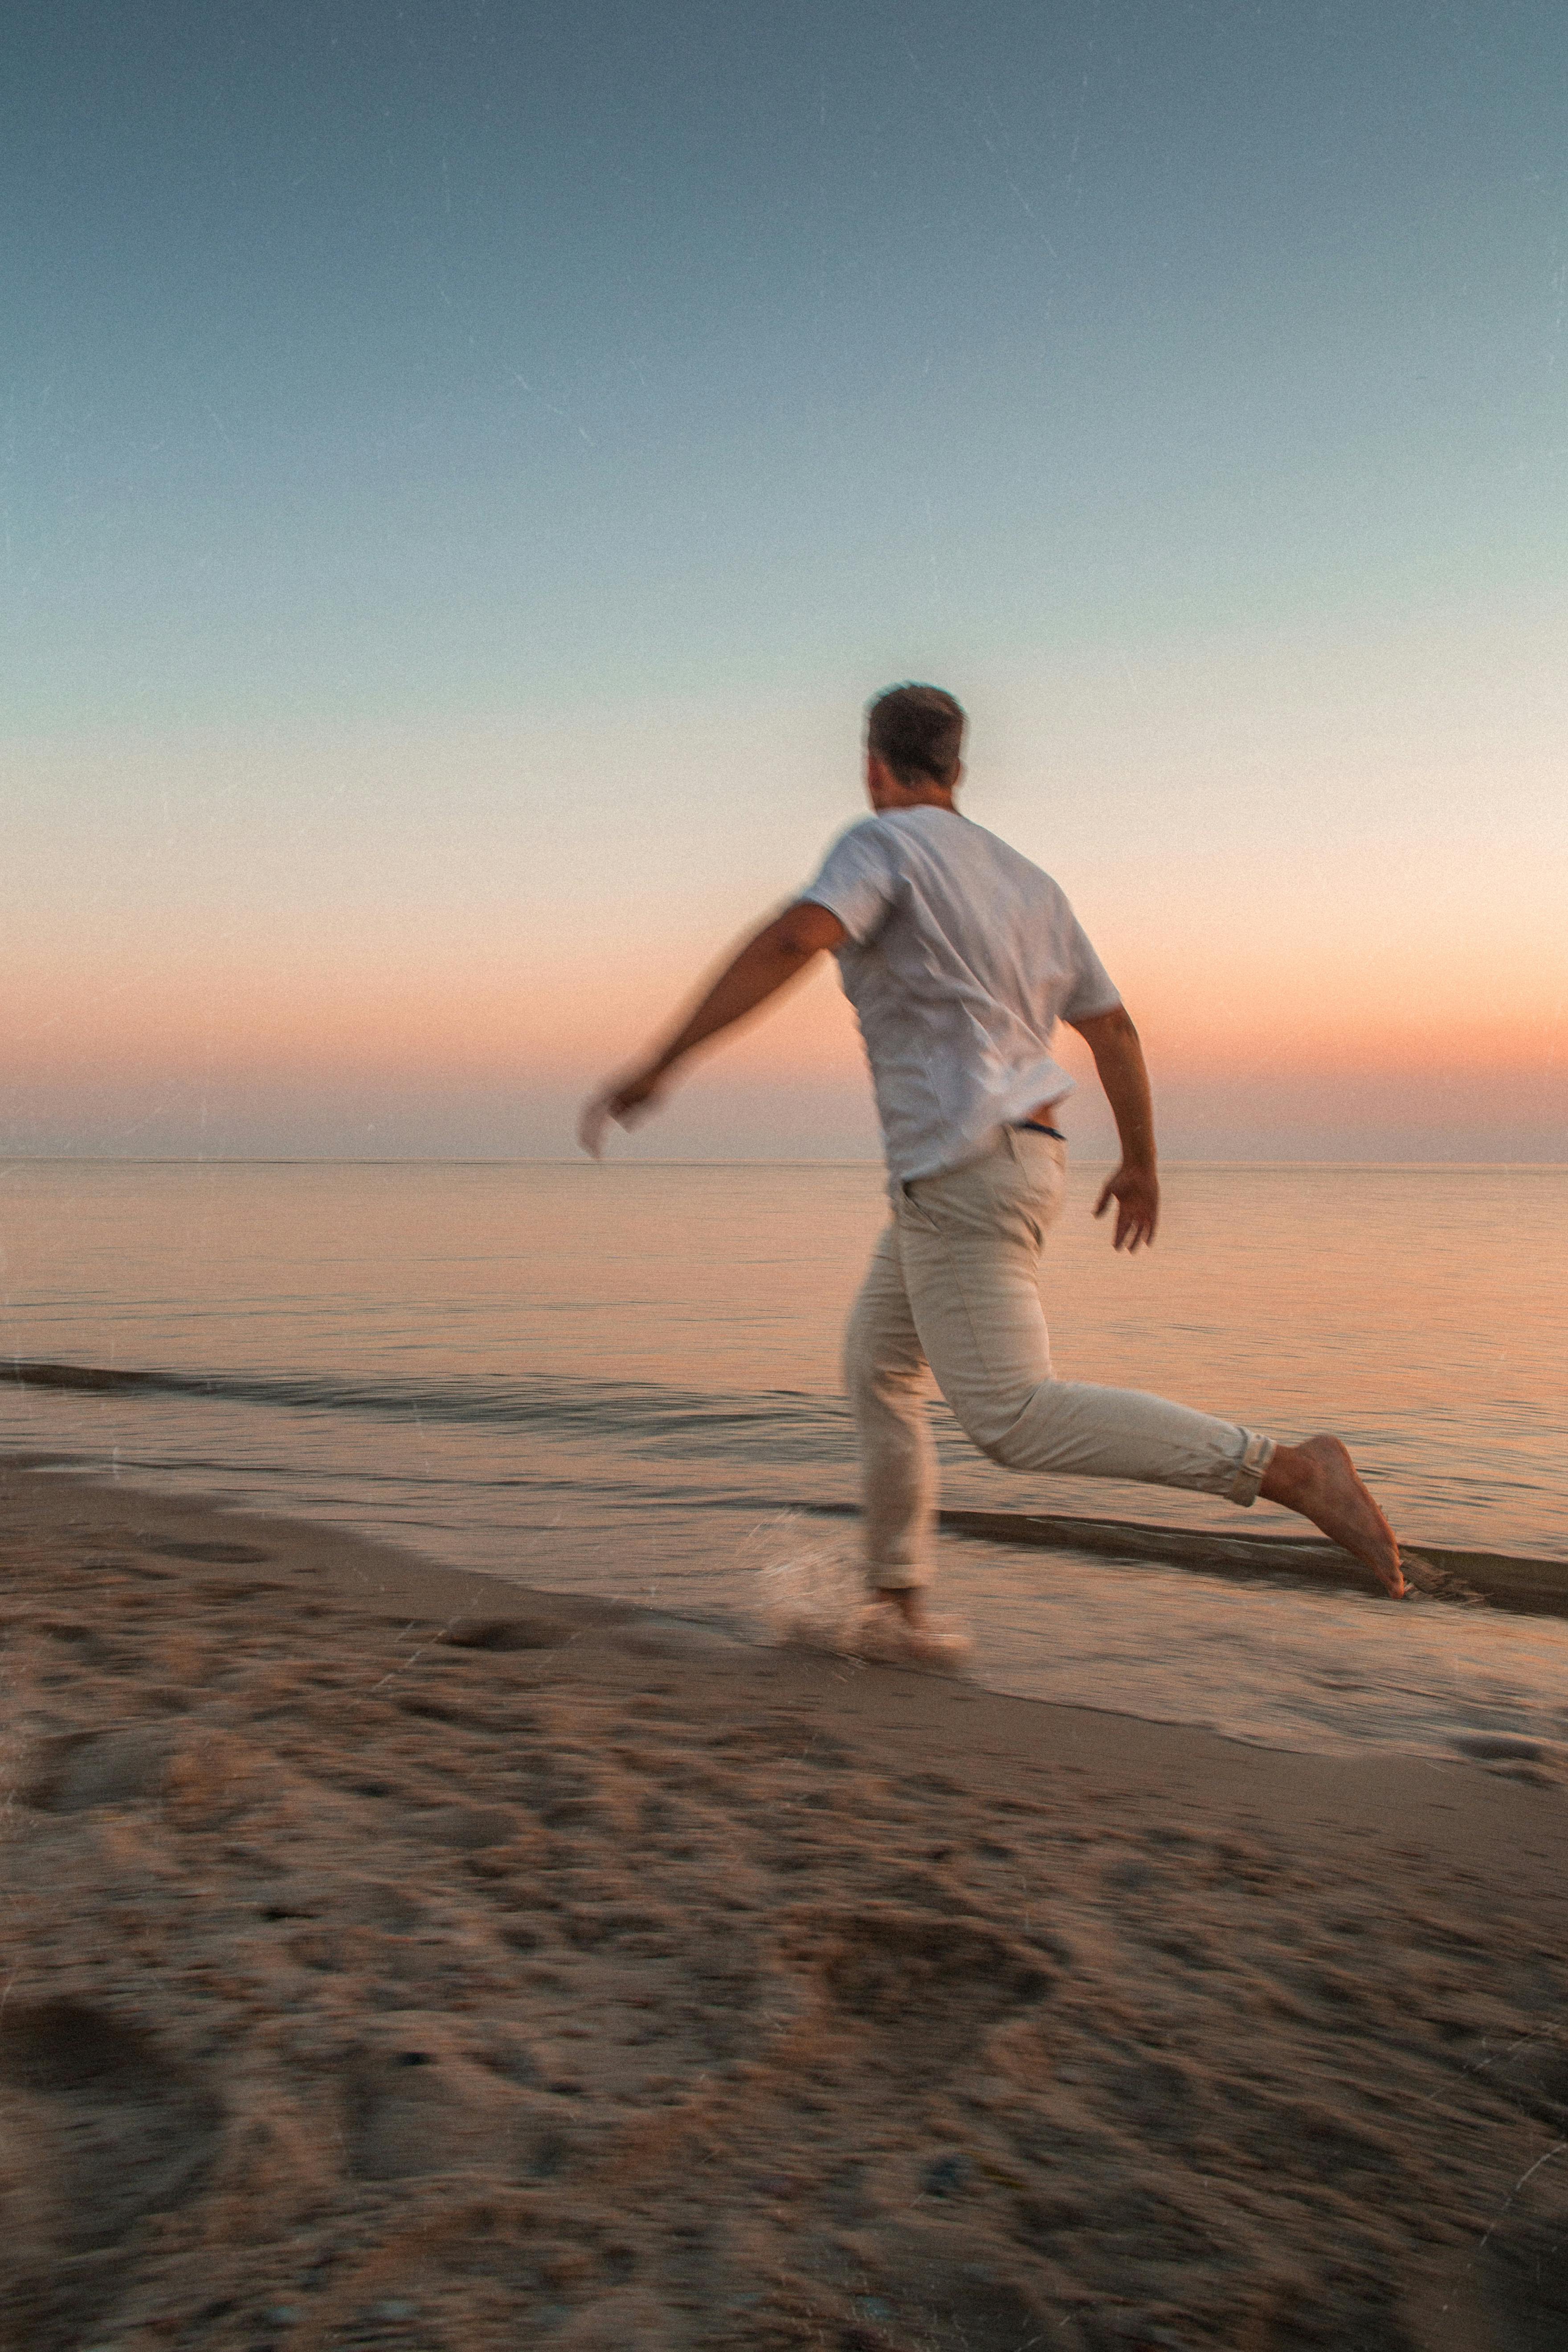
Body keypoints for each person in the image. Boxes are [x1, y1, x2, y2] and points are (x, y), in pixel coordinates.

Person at [580, 683, 1406, 1653]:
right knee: (878, 1367)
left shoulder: (879, 842)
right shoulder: (1029, 884)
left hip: (962, 1169)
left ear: (873, 766)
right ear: (958, 771)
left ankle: (1286, 1471)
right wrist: (1140, 1165)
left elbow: (794, 936)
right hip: (1006, 1167)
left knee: (1011, 1418)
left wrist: (663, 1061)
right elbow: (1113, 1027)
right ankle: (897, 1604)